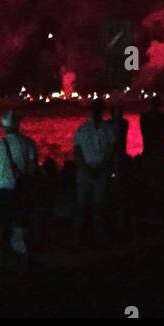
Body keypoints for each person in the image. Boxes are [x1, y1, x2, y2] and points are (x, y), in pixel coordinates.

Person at [0, 111, 37, 256]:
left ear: (3, 127)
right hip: (20, 190)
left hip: (0, 191)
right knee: (20, 226)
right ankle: (21, 258)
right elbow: (32, 170)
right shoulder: (29, 144)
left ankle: (0, 256)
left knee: (1, 225)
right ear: (18, 125)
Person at [72, 100, 115, 243]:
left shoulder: (82, 129)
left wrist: (86, 169)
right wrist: (101, 168)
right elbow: (111, 151)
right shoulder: (108, 130)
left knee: (83, 205)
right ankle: (99, 237)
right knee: (98, 206)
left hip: (87, 171)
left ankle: (79, 237)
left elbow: (77, 153)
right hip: (100, 170)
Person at [139, 98, 164, 164]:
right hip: (158, 144)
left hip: (148, 143)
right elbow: (163, 130)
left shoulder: (144, 116)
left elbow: (143, 130)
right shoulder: (163, 116)